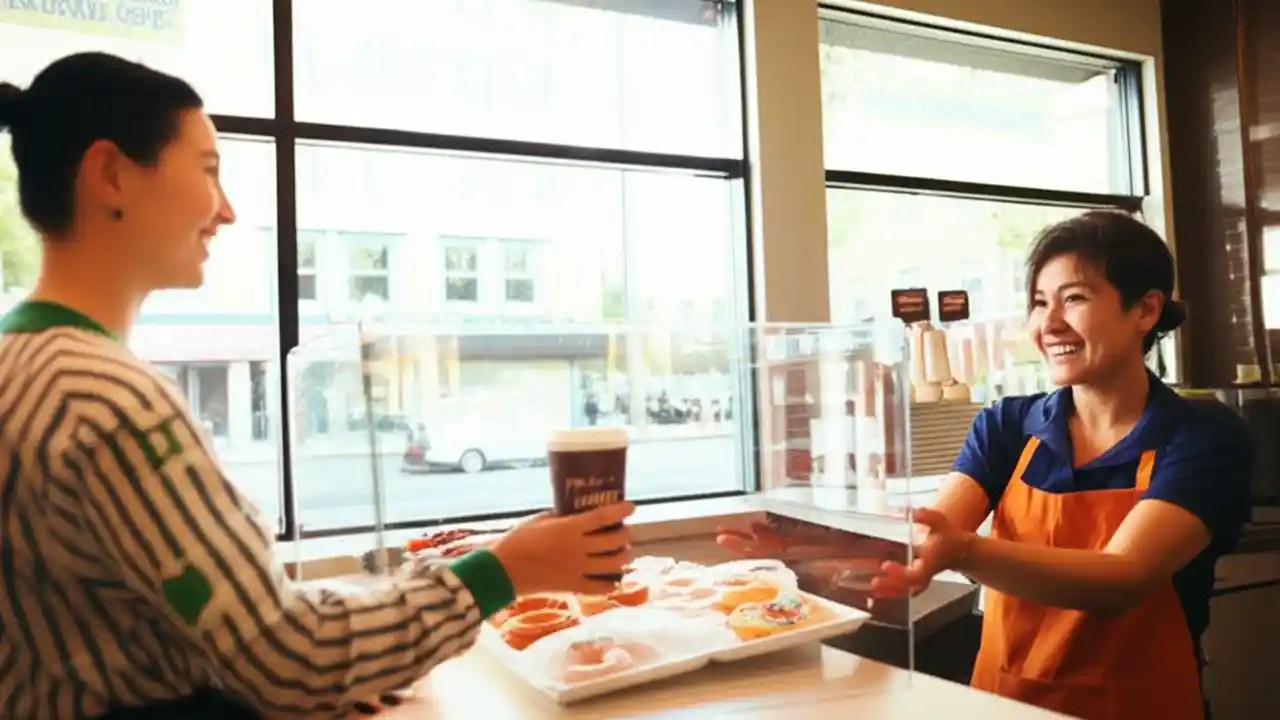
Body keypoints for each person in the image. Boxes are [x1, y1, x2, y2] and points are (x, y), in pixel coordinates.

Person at [0, 53, 635, 720]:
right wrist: (501, 570)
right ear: (110, 175)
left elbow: (136, 635)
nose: (227, 211)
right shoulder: (106, 399)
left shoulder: (24, 363)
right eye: (209, 171)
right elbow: (291, 658)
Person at [722, 211, 1253, 720]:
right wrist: (813, 548)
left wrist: (964, 550)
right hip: (1001, 706)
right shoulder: (1006, 425)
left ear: (1145, 310)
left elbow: (1121, 579)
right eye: (1040, 302)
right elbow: (931, 535)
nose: (1050, 323)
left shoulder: (1203, 437)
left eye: (1075, 298)